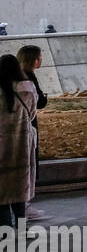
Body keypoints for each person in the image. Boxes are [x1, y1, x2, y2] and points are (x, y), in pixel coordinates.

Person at [0, 53, 38, 229]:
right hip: (21, 143)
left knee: (1, 189)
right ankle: (22, 227)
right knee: (19, 187)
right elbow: (31, 114)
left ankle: (5, 228)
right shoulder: (28, 87)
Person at [15, 45, 47, 222]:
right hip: (26, 126)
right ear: (33, 59)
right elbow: (39, 103)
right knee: (28, 162)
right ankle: (24, 206)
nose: (41, 60)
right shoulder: (29, 79)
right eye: (39, 57)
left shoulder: (13, 77)